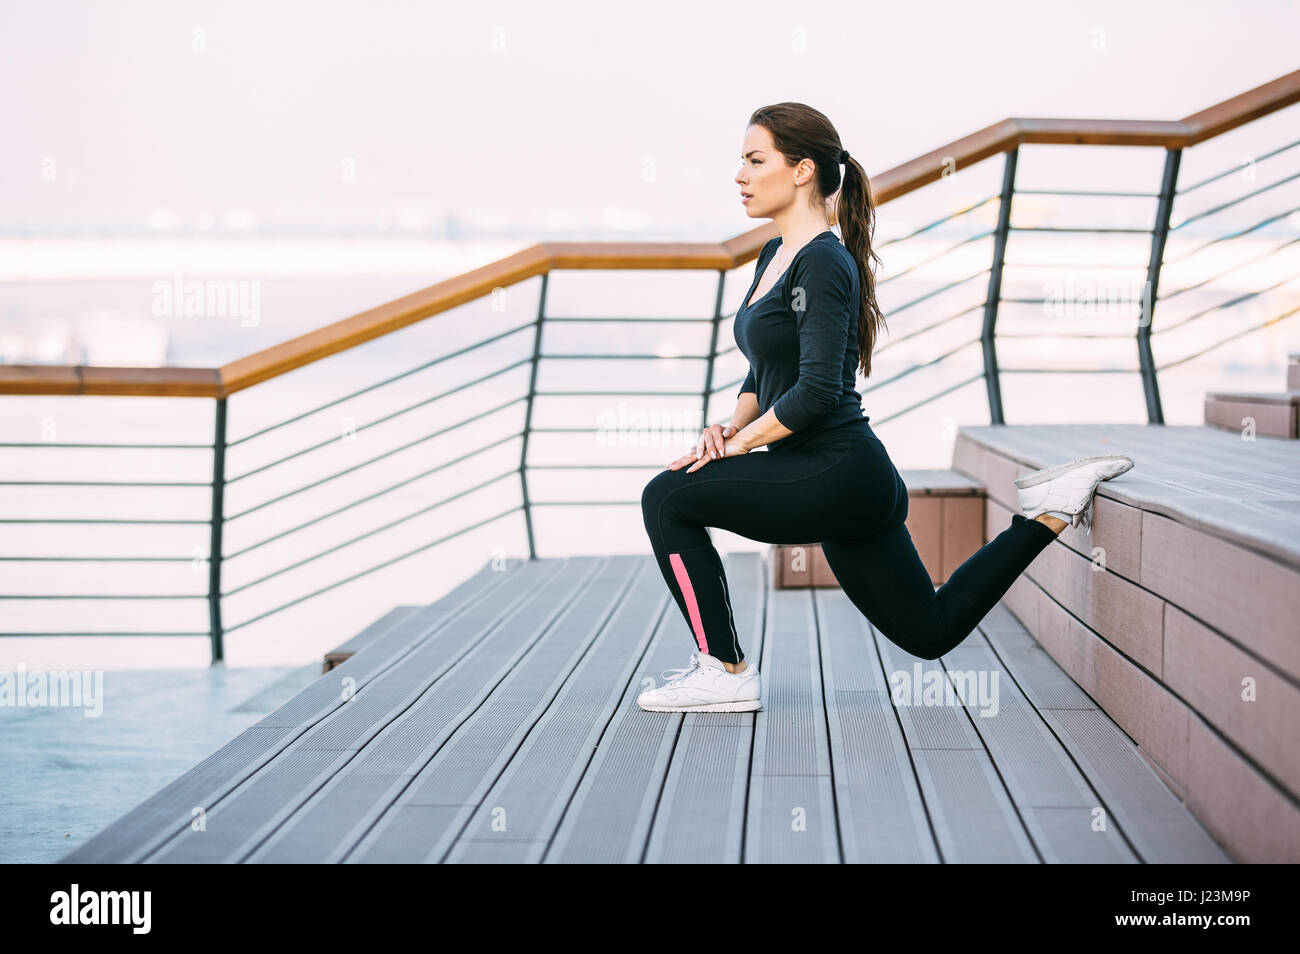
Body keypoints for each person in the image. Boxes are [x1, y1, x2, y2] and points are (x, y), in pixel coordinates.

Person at [637, 103, 1133, 713]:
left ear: (801, 171)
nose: (739, 174)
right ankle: (1047, 512)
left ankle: (726, 670)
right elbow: (764, 368)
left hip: (835, 472)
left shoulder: (822, 262)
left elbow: (817, 391)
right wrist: (727, 428)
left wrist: (740, 448)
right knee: (930, 630)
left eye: (754, 159)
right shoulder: (775, 256)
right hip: (844, 482)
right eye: (740, 161)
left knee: (666, 497)